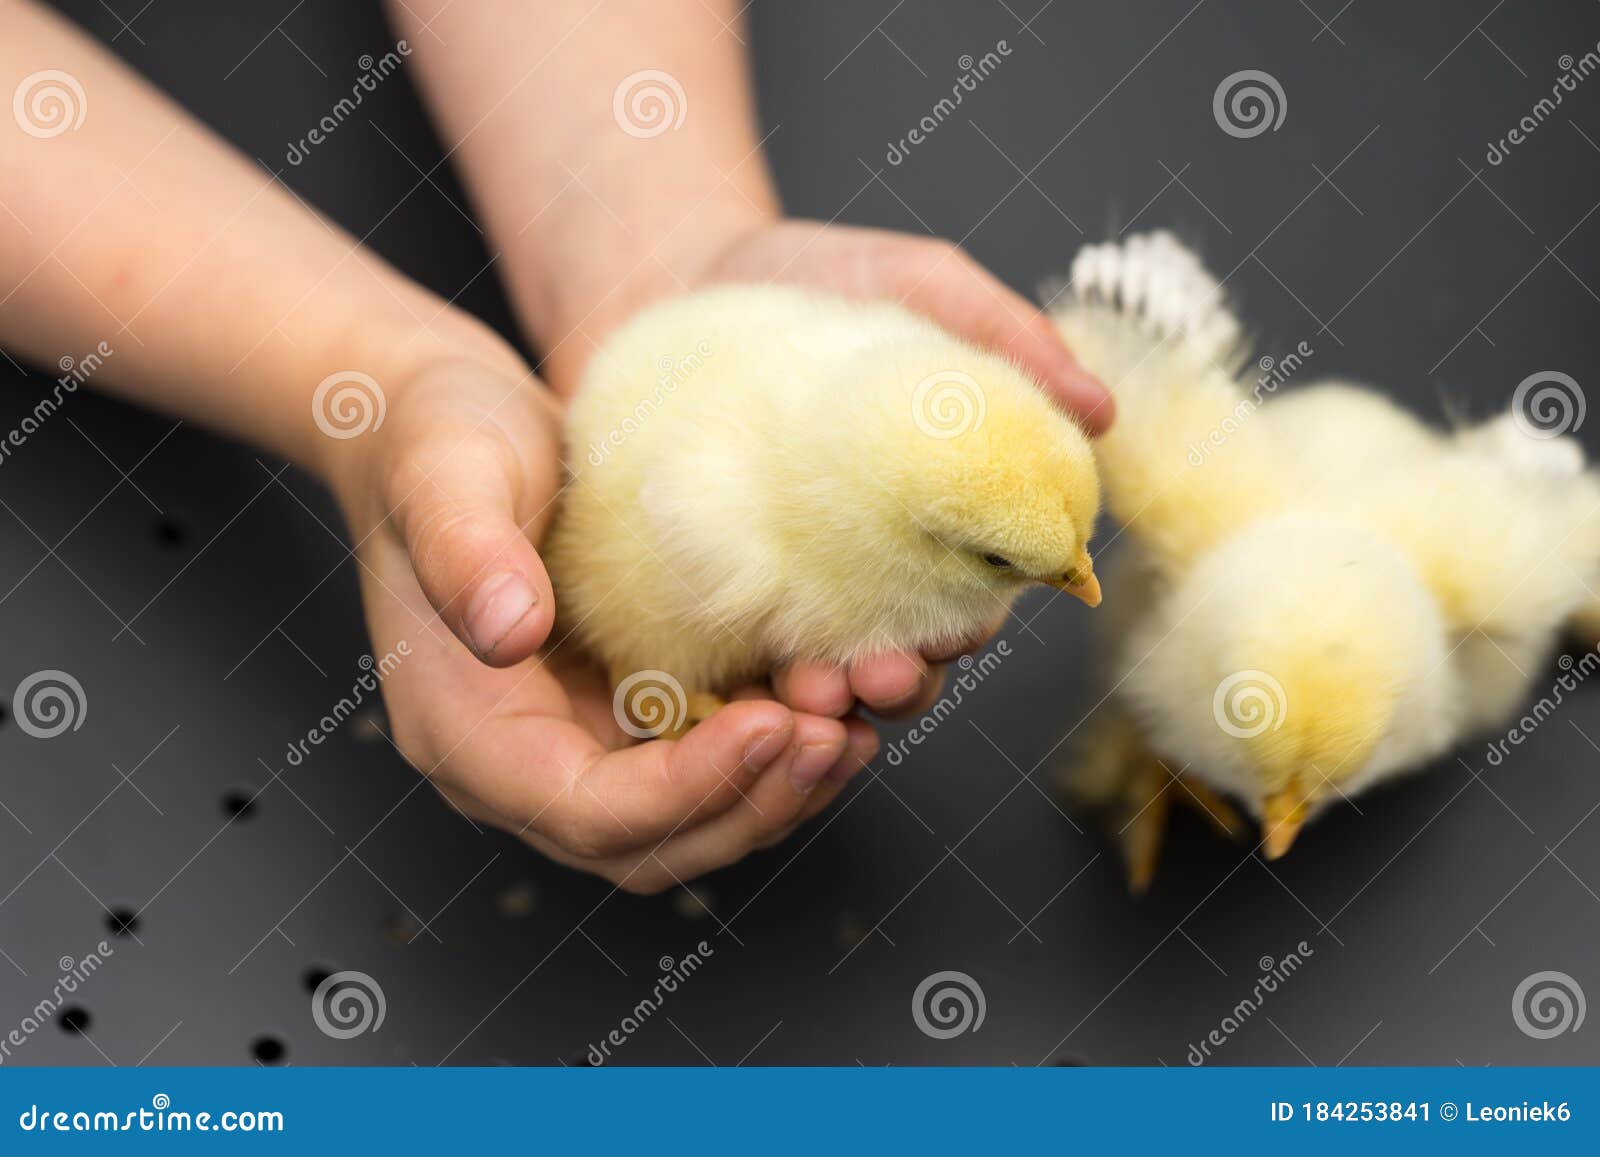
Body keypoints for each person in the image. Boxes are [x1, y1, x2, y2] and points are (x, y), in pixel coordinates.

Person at [0, 0, 1109, 891]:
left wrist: (660, 231)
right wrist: (368, 379)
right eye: (1011, 563)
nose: (1073, 579)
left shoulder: (852, 395)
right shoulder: (726, 515)